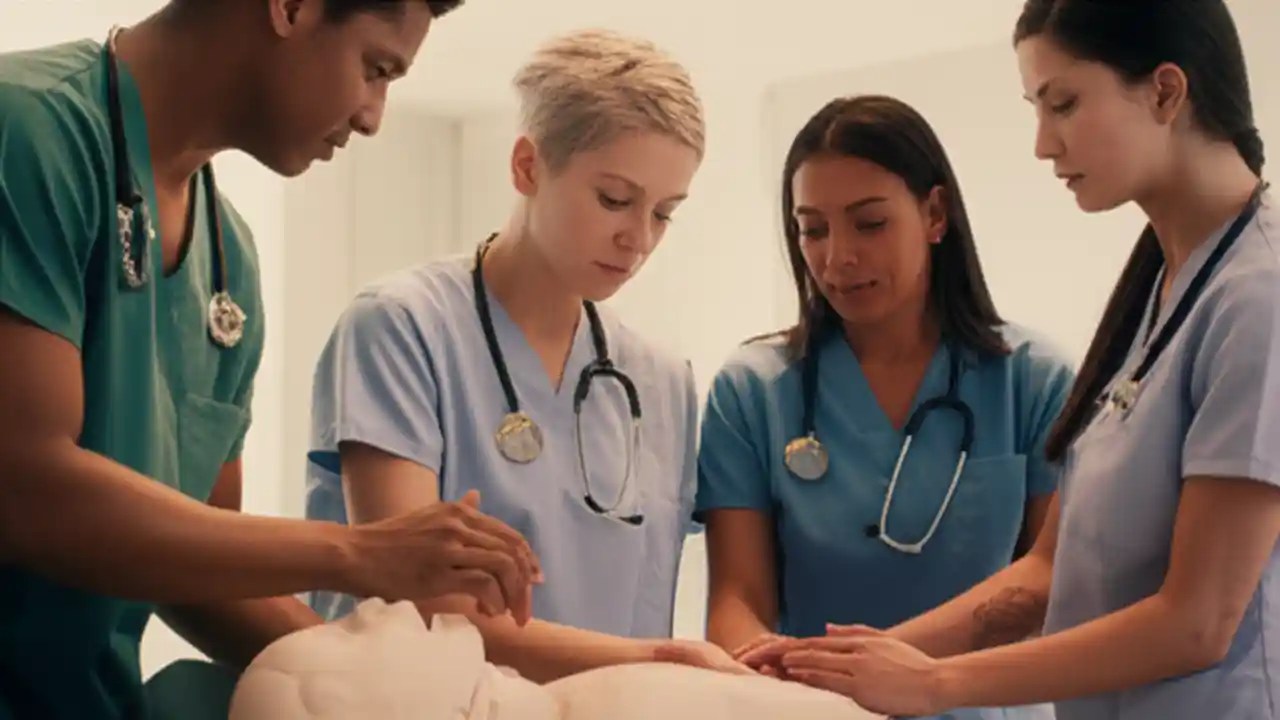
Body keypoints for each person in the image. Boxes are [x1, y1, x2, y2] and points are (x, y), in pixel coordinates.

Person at [0, 2, 543, 718]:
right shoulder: (29, 132)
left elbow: (201, 568)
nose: (374, 116)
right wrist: (357, 552)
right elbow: (25, 489)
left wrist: (394, 688)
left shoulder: (230, 263)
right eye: (375, 69)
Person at [741, 2, 1280, 719]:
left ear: (1166, 91)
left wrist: (936, 686)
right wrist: (831, 670)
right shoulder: (1161, 289)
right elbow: (1050, 570)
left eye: (1063, 104)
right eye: (1036, 108)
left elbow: (1199, 621)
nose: (1043, 144)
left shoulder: (1259, 297)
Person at [303, 27, 741, 683]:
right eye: (615, 200)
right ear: (527, 167)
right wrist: (660, 663)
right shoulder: (401, 329)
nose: (638, 238)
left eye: (665, 213)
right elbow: (416, 604)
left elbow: (648, 604)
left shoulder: (660, 380)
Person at [694, 94, 1076, 720]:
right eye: (812, 228)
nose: (837, 257)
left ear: (934, 213)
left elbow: (1047, 575)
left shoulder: (1034, 381)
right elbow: (737, 595)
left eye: (869, 224)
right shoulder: (753, 390)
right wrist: (778, 679)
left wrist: (873, 667)